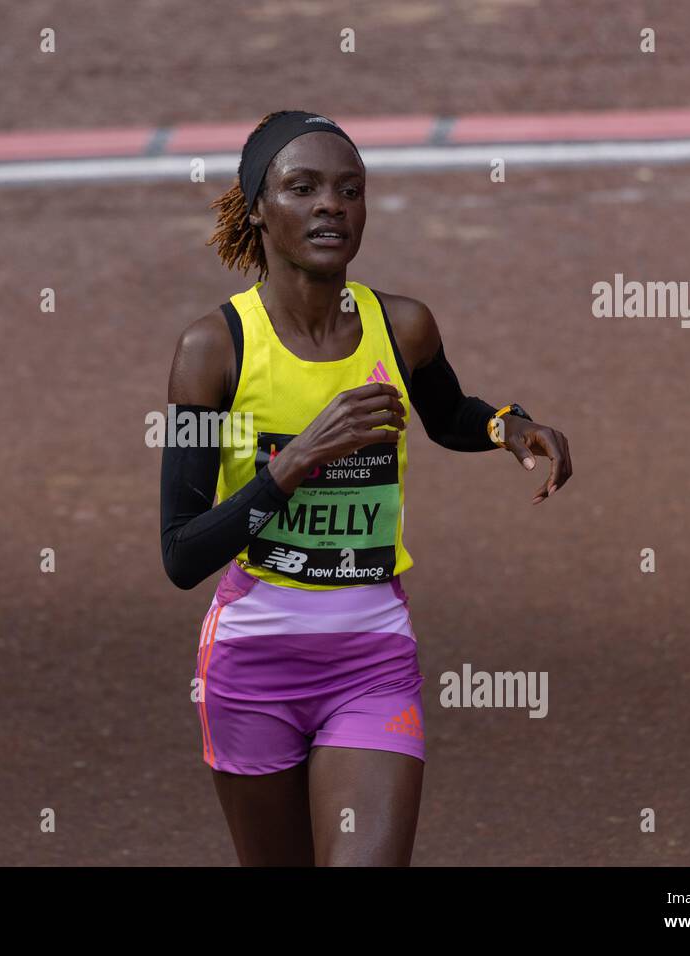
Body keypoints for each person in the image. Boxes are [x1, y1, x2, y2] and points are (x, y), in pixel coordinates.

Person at [160, 110, 573, 866]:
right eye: (304, 187)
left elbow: (449, 415)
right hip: (253, 668)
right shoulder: (210, 351)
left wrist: (508, 425)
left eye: (350, 190)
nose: (331, 205)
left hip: (370, 659)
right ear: (257, 205)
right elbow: (182, 551)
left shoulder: (403, 328)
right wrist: (295, 461)